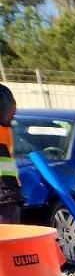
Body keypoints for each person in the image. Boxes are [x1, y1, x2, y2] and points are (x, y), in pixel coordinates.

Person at [0, 85, 21, 224]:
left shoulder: (6, 130)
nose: (14, 114)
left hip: (8, 197)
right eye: (12, 109)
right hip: (4, 199)